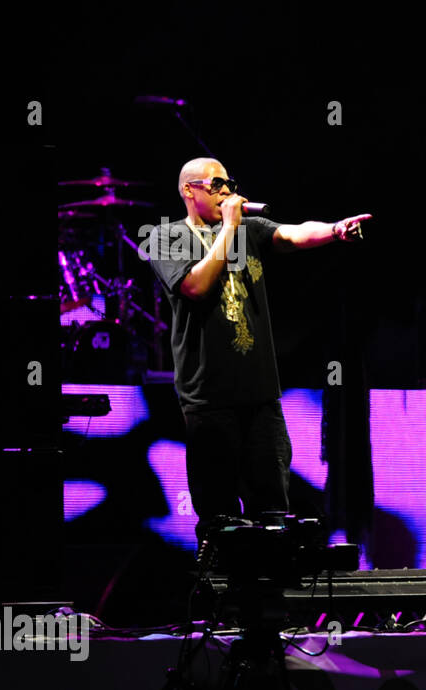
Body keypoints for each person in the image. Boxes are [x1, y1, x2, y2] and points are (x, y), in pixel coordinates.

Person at [147, 157, 371, 549]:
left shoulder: (249, 230)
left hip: (261, 396)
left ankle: (269, 601)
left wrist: (335, 231)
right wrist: (229, 227)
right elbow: (195, 287)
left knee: (271, 511)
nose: (227, 191)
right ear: (189, 191)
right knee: (220, 515)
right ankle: (224, 600)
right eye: (216, 184)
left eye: (229, 183)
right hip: (208, 398)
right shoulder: (165, 238)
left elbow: (295, 233)